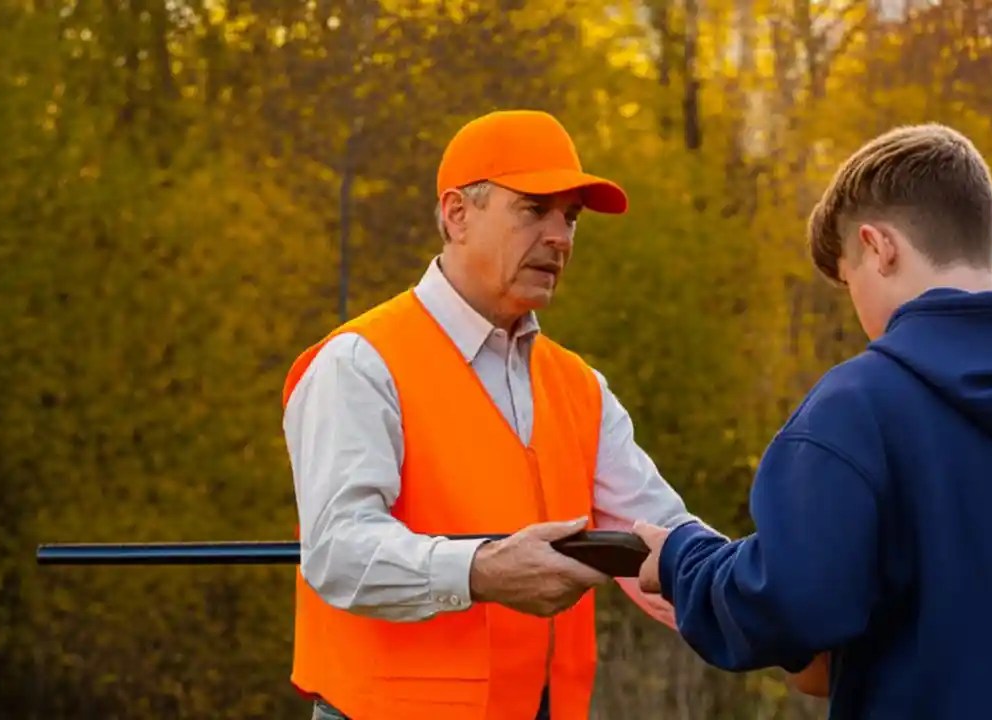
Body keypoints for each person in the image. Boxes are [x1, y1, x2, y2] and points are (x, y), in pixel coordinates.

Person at [633, 123, 992, 718]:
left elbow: (791, 604)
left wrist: (684, 561)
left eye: (849, 280)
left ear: (879, 246)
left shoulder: (856, 408)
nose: (859, 312)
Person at [280, 109, 704, 720]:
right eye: (535, 209)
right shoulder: (360, 363)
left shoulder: (578, 385)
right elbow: (338, 552)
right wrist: (481, 570)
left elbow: (659, 536)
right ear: (457, 214)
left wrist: (777, 608)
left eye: (572, 217)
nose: (560, 236)